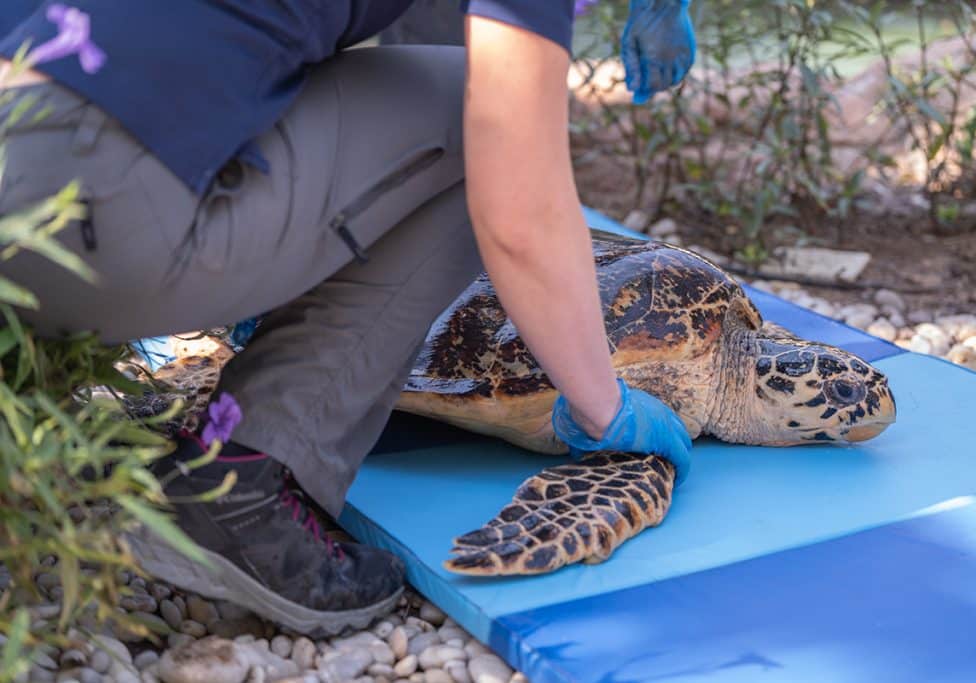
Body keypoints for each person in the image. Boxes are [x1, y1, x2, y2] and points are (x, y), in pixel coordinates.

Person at [0, 1, 696, 635]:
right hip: (84, 211)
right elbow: (521, 210)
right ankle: (246, 478)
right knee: (479, 114)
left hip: (25, 150)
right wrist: (606, 408)